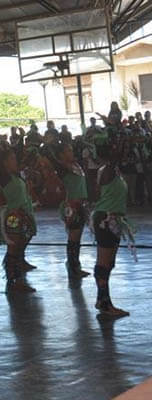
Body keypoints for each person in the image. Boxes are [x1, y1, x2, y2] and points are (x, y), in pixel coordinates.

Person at [0, 124, 37, 293]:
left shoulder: (15, 176)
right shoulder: (5, 177)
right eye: (12, 160)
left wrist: (21, 139)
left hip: (22, 214)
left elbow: (19, 152)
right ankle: (13, 280)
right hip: (13, 217)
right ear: (5, 163)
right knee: (13, 248)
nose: (15, 161)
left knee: (19, 246)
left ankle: (17, 277)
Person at [91, 133, 135, 317]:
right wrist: (122, 140)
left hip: (112, 219)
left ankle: (103, 300)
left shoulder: (111, 170)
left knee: (108, 262)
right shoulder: (107, 169)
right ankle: (104, 302)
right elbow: (115, 156)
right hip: (105, 219)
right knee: (103, 262)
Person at [49, 143, 90, 278]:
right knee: (74, 237)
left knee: (77, 237)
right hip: (72, 205)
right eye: (68, 151)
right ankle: (73, 267)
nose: (72, 152)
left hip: (81, 204)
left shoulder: (75, 166)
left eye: (71, 150)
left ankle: (75, 265)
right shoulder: (63, 168)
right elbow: (52, 158)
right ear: (61, 155)